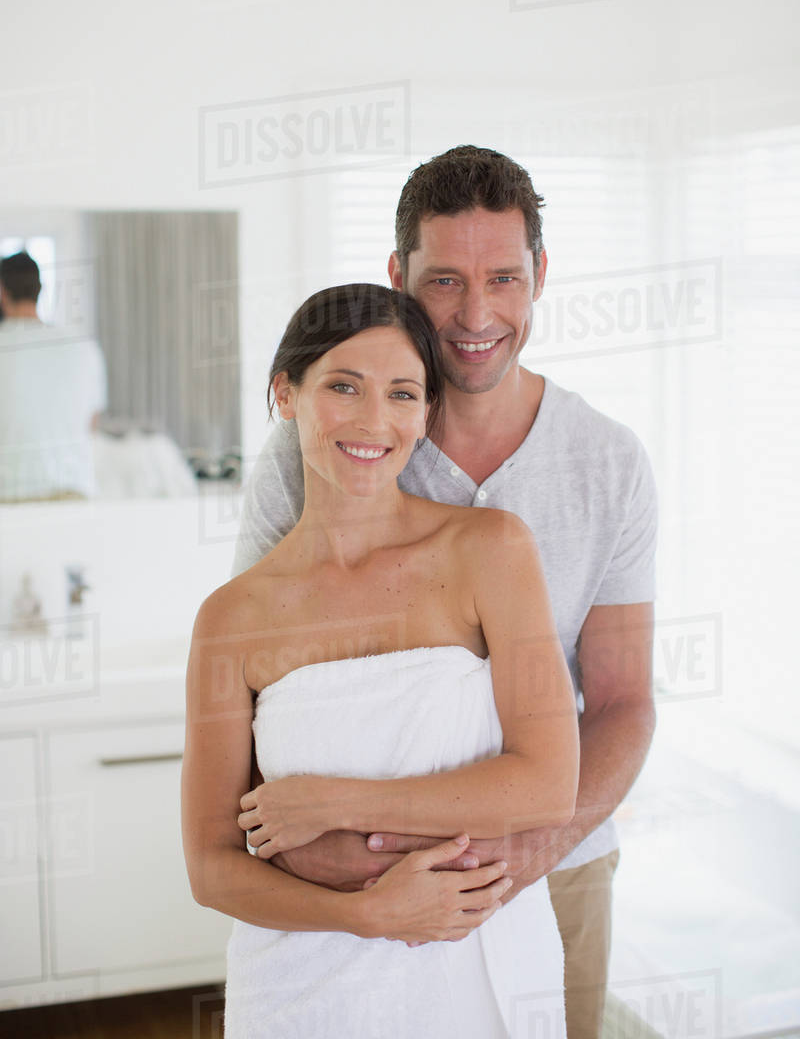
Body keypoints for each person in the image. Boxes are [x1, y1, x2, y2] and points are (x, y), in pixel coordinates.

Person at [230, 146, 658, 1039]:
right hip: (340, 863)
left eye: (504, 277)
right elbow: (263, 682)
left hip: (559, 857)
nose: (476, 315)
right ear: (397, 276)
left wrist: (519, 854)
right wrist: (357, 872)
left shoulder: (607, 462)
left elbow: (621, 703)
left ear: (540, 273)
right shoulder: (322, 449)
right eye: (445, 281)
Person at [182, 283, 580, 1038]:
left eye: (402, 393)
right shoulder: (231, 620)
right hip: (302, 988)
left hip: (475, 966)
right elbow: (211, 866)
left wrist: (331, 804)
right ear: (284, 394)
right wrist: (363, 914)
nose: (374, 421)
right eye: (342, 386)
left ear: (426, 414)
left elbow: (548, 784)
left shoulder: (489, 551)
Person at [0, 250, 107, 501]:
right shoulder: (83, 347)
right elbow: (91, 424)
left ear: (2, 292)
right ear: (40, 290)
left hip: (8, 495)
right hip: (72, 492)